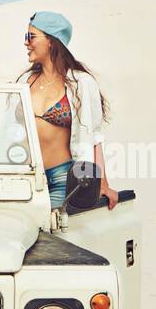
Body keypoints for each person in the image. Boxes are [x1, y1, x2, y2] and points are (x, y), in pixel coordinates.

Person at [20, 12, 117, 210]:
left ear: (51, 40)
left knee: (52, 237)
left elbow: (95, 136)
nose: (26, 43)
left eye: (31, 36)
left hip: (63, 179)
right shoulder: (24, 83)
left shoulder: (81, 83)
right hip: (26, 180)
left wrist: (102, 183)